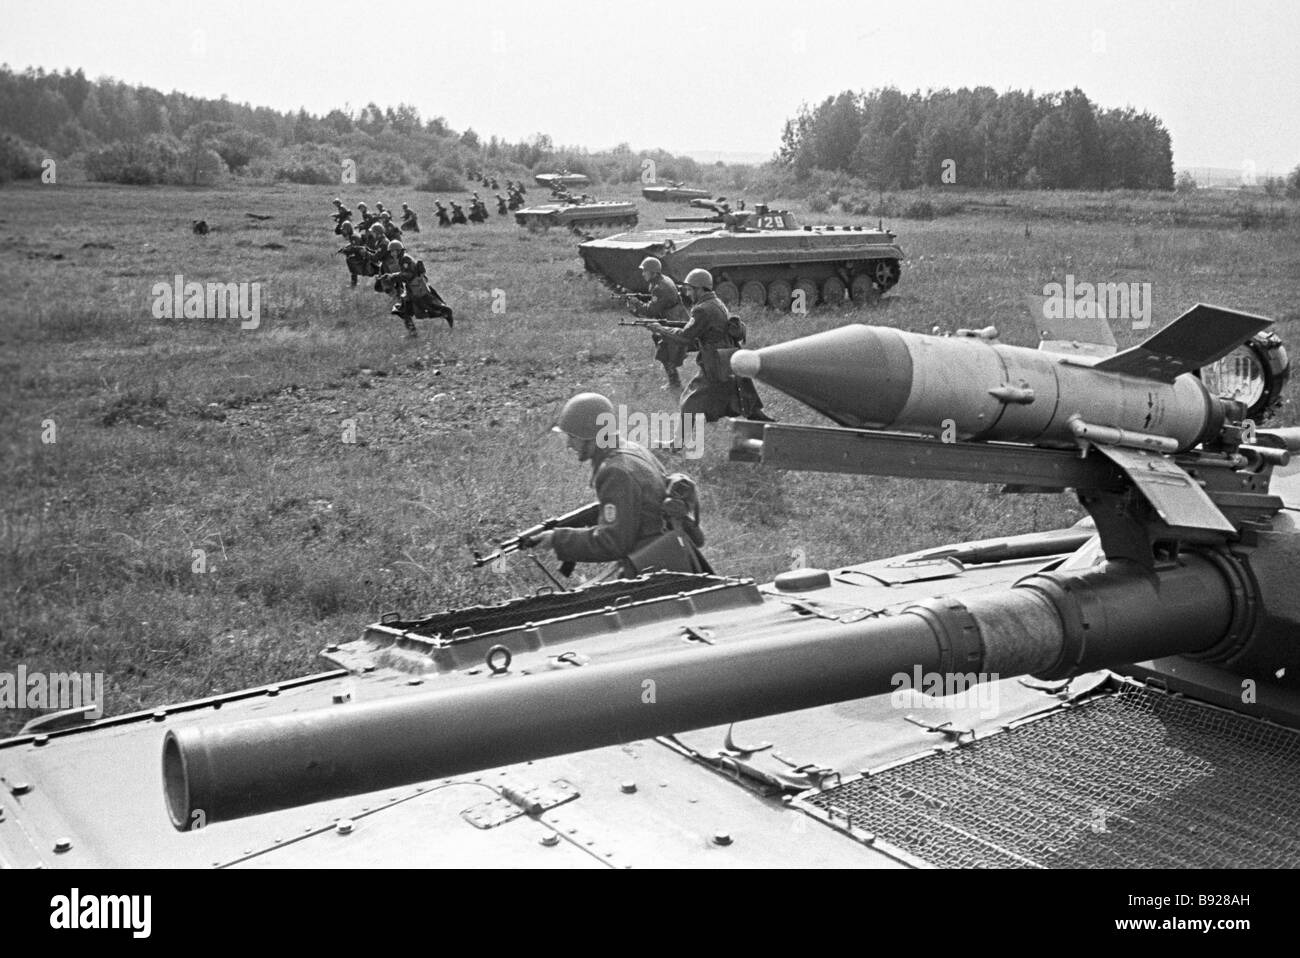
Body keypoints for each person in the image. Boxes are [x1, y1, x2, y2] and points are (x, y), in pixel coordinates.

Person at [533, 393, 709, 579]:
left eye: (573, 437)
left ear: (592, 436)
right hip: (670, 555)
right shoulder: (633, 449)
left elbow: (613, 543)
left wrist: (557, 539)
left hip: (651, 569)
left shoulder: (615, 471)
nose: (569, 444)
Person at [646, 268, 773, 431]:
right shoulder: (715, 302)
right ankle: (774, 430)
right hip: (727, 358)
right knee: (746, 404)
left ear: (700, 289)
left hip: (715, 363)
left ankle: (676, 445)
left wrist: (661, 330)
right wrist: (668, 326)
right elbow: (702, 329)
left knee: (689, 402)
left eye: (690, 289)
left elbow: (686, 337)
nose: (688, 293)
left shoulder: (702, 309)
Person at [627, 256, 689, 390]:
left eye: (645, 271)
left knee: (666, 351)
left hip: (672, 320)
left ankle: (675, 383)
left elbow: (651, 310)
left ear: (653, 272)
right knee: (663, 345)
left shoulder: (659, 287)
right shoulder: (662, 280)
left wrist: (636, 303)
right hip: (676, 315)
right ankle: (674, 382)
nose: (643, 274)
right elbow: (657, 302)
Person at [382, 240, 455, 337]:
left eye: (393, 251)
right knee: (404, 311)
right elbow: (405, 274)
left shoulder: (405, 259)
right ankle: (413, 333)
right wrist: (391, 276)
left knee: (426, 309)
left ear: (399, 251)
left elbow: (408, 275)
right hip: (412, 290)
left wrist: (393, 277)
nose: (391, 253)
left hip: (417, 290)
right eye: (390, 251)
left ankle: (445, 312)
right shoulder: (403, 259)